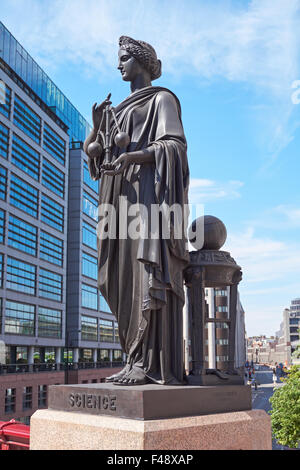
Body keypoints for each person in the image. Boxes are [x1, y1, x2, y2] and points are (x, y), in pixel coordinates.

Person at [84, 36, 190, 386]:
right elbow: (97, 162)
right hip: (116, 198)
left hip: (146, 200)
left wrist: (136, 156)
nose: (119, 65)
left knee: (143, 275)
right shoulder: (117, 109)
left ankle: (148, 363)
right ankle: (132, 358)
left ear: (143, 62)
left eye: (125, 58)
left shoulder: (162, 99)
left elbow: (173, 146)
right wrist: (95, 128)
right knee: (112, 277)